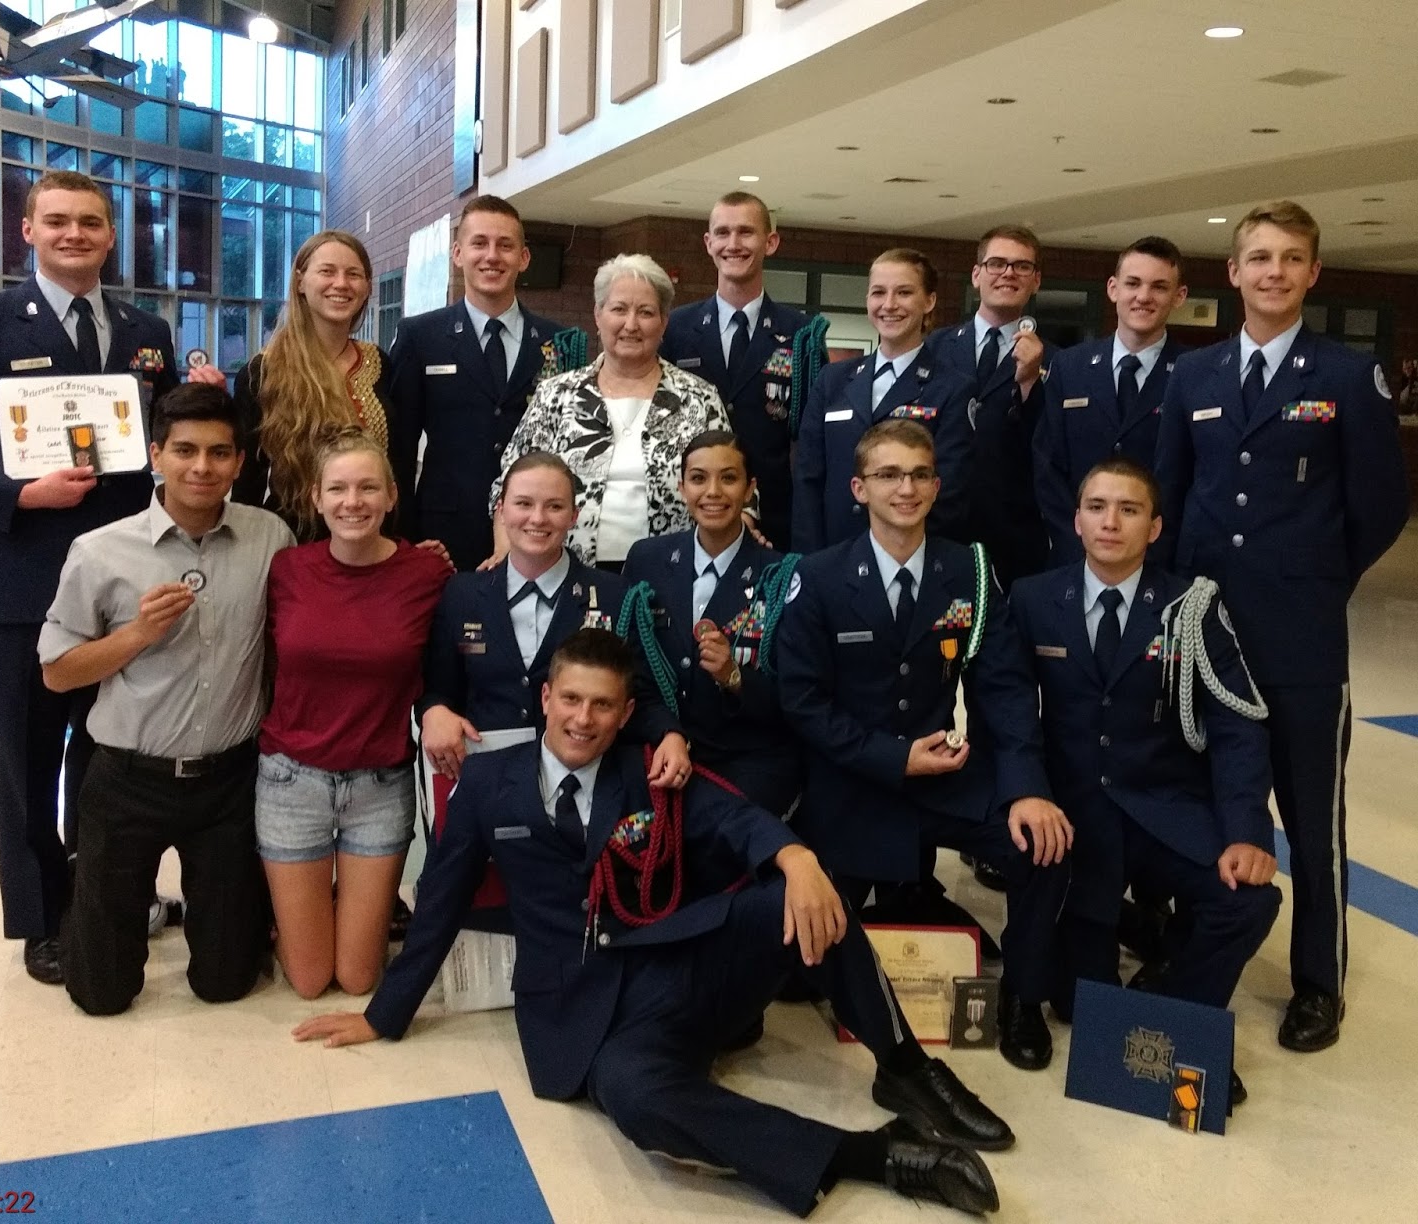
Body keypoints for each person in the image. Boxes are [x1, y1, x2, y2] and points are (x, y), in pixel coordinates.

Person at [294, 629, 1010, 1218]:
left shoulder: (649, 772)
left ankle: (907, 1069)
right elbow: (443, 901)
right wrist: (386, 1015)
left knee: (806, 895)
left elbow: (732, 818)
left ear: (626, 710)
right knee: (639, 1102)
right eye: (570, 699)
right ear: (545, 697)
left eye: (602, 705)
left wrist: (796, 857)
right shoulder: (487, 783)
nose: (583, 719)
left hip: (683, 966)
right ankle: (875, 1155)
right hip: (585, 1015)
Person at [0, 169, 184, 986]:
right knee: (27, 762)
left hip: (126, 588)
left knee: (109, 758)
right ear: (27, 231)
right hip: (27, 583)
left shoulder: (145, 329)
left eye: (90, 222)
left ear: (109, 235)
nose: (75, 235)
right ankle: (39, 918)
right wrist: (16, 493)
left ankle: (101, 894)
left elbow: (157, 442)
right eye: (57, 221)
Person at [1154, 200, 1409, 1052]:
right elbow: (1174, 491)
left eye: (1289, 259)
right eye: (1257, 257)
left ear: (1311, 273)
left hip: (1300, 638)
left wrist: (1317, 579)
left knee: (1310, 816)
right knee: (1198, 802)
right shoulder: (1193, 377)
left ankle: (1317, 984)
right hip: (1204, 628)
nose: (1272, 272)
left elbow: (1379, 504)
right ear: (1232, 273)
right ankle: (1188, 950)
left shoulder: (1344, 376)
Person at [776, 420, 1072, 1072]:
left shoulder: (967, 568)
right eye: (887, 475)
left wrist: (1026, 789)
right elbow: (802, 701)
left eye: (917, 475)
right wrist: (890, 757)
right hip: (855, 779)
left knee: (1041, 849)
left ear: (936, 487)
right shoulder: (819, 578)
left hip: (943, 774)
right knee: (796, 968)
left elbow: (1005, 687)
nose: (904, 488)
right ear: (859, 488)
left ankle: (1022, 1000)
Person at [1009, 458, 1280, 1103]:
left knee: (1246, 899)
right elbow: (1009, 715)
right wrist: (1028, 791)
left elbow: (1239, 725)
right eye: (1097, 506)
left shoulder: (1191, 607)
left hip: (1163, 808)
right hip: (1073, 817)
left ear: (1154, 527)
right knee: (1078, 1003)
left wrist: (1247, 831)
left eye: (1129, 510)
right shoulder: (1033, 600)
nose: (1110, 521)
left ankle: (1177, 1018)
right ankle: (1093, 975)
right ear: (1075, 520)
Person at [38, 383, 292, 1014]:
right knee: (100, 993)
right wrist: (137, 634)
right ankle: (111, 918)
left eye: (218, 452)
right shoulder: (101, 551)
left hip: (229, 782)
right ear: (155, 453)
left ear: (239, 461)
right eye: (184, 450)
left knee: (226, 983)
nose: (201, 467)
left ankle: (205, 919)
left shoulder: (271, 538)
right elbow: (57, 673)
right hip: (128, 779)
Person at [257, 431, 453, 998]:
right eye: (338, 489)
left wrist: (437, 707)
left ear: (393, 496)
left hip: (379, 785)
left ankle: (339, 918)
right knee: (312, 981)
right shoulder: (286, 570)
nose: (353, 502)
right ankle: (296, 922)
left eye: (368, 487)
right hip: (291, 780)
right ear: (316, 498)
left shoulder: (428, 575)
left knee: (359, 977)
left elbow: (454, 655)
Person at [420, 450, 690, 789]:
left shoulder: (614, 594)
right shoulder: (461, 594)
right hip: (485, 784)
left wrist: (670, 734)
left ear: (574, 515)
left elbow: (640, 692)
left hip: (588, 783)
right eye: (523, 504)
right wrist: (433, 711)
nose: (538, 518)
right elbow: (438, 688)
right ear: (501, 511)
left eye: (554, 506)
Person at [493, 254, 746, 570]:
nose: (631, 324)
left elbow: (734, 482)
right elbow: (509, 483)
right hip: (567, 573)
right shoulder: (556, 395)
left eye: (646, 312)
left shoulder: (699, 396)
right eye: (619, 309)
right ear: (598, 316)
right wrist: (506, 559)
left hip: (675, 572)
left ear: (664, 322)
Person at [387, 196, 581, 571]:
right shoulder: (420, 336)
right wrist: (403, 539)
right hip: (442, 535)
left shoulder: (558, 342)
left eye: (505, 245)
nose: (492, 256)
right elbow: (400, 448)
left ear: (523, 258)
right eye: (479, 243)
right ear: (458, 254)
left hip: (535, 530)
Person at [622, 430, 801, 817]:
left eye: (729, 478)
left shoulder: (782, 575)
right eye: (699, 478)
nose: (713, 491)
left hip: (748, 756)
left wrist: (735, 677)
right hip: (660, 744)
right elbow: (632, 672)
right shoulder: (647, 560)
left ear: (750, 488)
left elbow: (798, 696)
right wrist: (667, 731)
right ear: (681, 486)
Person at [659, 192, 824, 548]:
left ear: (771, 242)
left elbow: (810, 444)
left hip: (775, 526)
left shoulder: (801, 336)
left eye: (746, 232)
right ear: (708, 243)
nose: (733, 244)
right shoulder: (674, 328)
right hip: (689, 518)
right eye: (722, 233)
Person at [793, 248, 977, 553]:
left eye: (904, 292)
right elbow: (807, 480)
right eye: (878, 292)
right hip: (830, 558)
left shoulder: (953, 389)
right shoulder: (832, 380)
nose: (889, 304)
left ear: (929, 301)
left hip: (907, 560)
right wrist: (808, 561)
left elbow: (949, 493)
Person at [232, 230, 401, 540]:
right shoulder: (262, 372)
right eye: (327, 271)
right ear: (300, 282)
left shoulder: (381, 365)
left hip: (373, 543)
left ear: (366, 288)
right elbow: (247, 484)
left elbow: (397, 465)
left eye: (353, 274)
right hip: (292, 544)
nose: (341, 284)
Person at [1035, 238, 1190, 563]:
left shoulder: (1196, 372)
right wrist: (1079, 544)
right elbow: (1048, 466)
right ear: (1112, 288)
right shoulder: (1069, 366)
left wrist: (1154, 549)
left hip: (1161, 561)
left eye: (1159, 287)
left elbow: (1193, 477)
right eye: (1133, 283)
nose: (1144, 297)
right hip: (1075, 559)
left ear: (1179, 297)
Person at [924, 225, 1052, 588]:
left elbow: (1049, 446)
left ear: (1036, 280)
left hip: (1013, 537)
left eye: (1021, 266)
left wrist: (1030, 382)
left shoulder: (1058, 362)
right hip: (936, 524)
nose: (1008, 273)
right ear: (976, 274)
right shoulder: (934, 348)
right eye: (996, 263)